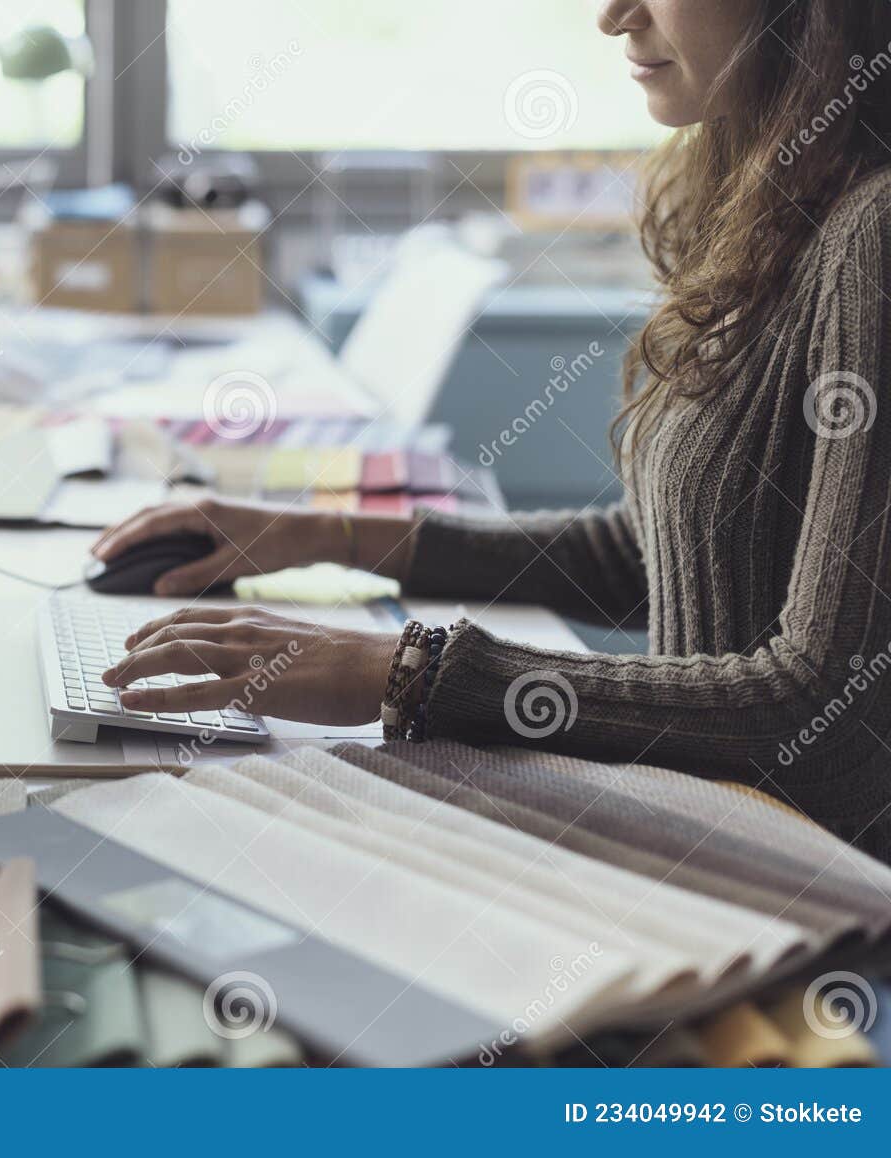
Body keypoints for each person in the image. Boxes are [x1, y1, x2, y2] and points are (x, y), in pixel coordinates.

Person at [96, 0, 891, 861]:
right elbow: (654, 555)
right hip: (710, 832)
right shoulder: (770, 200)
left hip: (810, 886)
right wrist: (322, 535)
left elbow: (824, 711)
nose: (613, 15)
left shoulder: (873, 235)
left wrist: (409, 672)